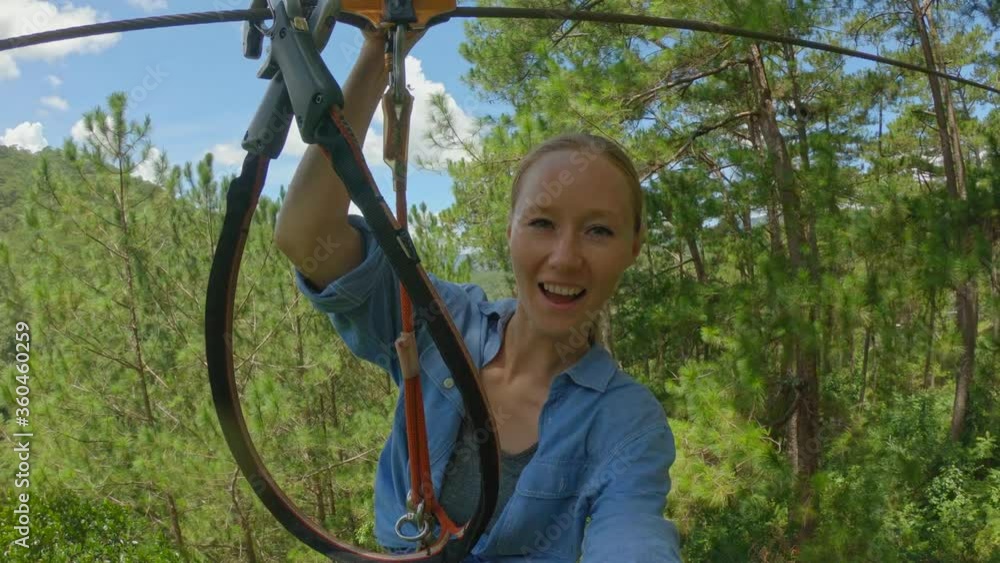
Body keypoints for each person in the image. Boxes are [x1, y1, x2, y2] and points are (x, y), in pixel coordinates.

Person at [274, 29, 681, 563]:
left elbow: (633, 536)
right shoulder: (439, 321)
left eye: (599, 231)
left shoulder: (627, 423)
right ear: (509, 231)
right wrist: (381, 51)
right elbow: (307, 239)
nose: (564, 257)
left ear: (634, 247)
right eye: (541, 222)